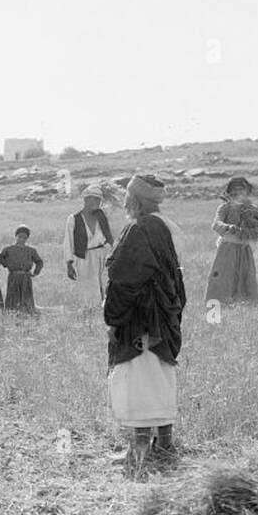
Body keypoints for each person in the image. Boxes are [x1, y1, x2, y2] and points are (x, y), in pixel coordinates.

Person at [103, 175, 187, 476]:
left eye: (127, 197)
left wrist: (113, 316)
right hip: (162, 316)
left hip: (141, 317)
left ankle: (137, 451)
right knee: (159, 377)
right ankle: (164, 445)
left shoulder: (138, 229)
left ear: (134, 200)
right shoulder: (166, 227)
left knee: (139, 379)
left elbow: (125, 278)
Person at [205, 176, 258, 305]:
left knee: (246, 275)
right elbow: (216, 224)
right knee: (225, 275)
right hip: (228, 248)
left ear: (247, 192)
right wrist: (229, 228)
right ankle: (220, 304)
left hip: (244, 248)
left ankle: (246, 304)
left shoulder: (252, 209)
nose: (239, 193)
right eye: (235, 190)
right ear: (229, 192)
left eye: (242, 190)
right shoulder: (225, 208)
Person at [63, 184, 115, 309]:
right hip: (83, 256)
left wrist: (115, 253)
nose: (98, 202)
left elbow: (109, 236)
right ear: (86, 199)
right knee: (86, 286)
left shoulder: (101, 216)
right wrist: (69, 264)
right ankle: (88, 312)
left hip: (102, 254)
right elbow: (68, 242)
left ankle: (102, 311)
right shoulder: (73, 219)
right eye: (95, 199)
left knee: (101, 284)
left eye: (99, 199)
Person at [0, 226, 44, 314]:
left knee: (26, 297)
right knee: (13, 297)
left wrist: (35, 272)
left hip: (25, 277)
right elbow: (0, 257)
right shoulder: (8, 249)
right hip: (13, 276)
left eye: (24, 238)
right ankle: (12, 314)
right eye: (20, 237)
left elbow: (39, 262)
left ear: (27, 238)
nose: (22, 239)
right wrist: (6, 264)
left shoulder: (31, 250)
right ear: (16, 236)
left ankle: (27, 314)